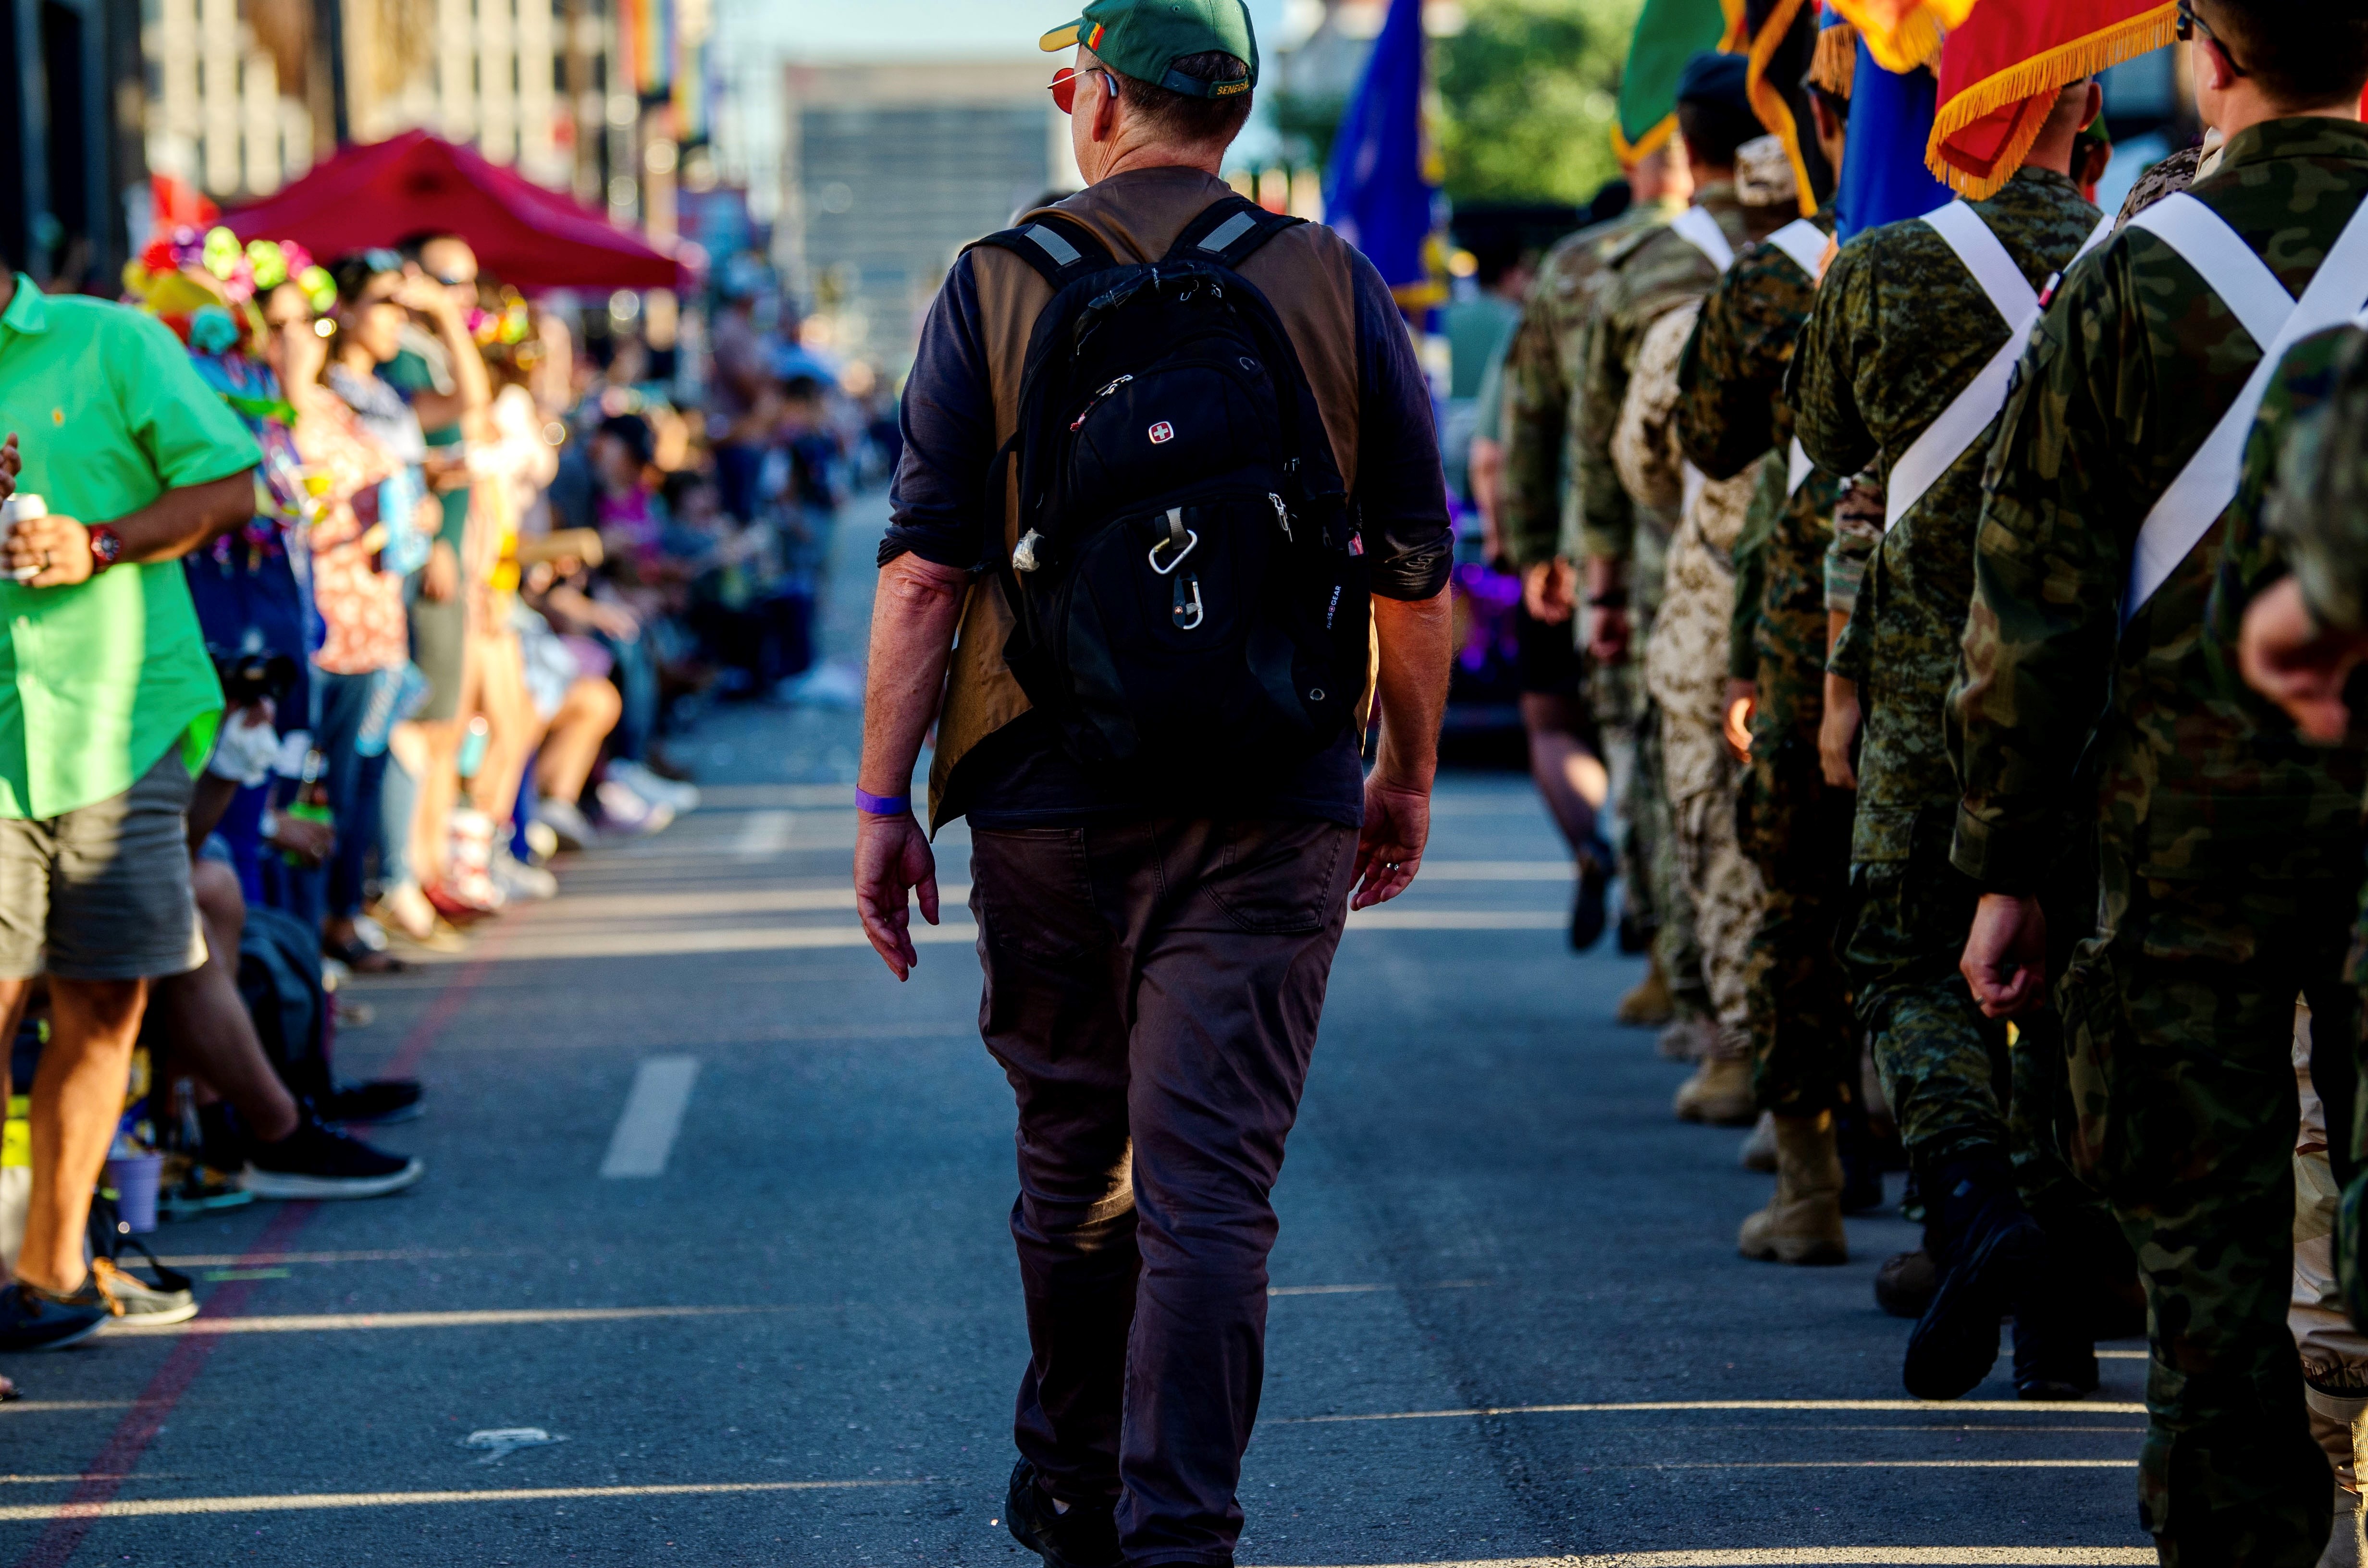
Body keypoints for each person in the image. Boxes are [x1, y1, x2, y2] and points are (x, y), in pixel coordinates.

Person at [850, 1, 1454, 1560]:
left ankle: (1066, 1484)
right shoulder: (1329, 281)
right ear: (1234, 112)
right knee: (1207, 1189)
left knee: (1073, 1161)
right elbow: (1411, 564)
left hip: (1045, 790)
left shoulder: (993, 283)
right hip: (1271, 789)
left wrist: (879, 806)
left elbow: (925, 575)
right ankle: (1177, 1530)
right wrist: (1398, 771)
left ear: (1094, 97)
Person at [1948, 3, 2368, 1554]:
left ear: (2205, 55)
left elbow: (2033, 598)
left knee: (2203, 1268)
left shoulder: (2129, 270)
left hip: (2185, 833)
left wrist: (2004, 862)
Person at [1793, 79, 2118, 1401]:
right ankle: (2057, 1318)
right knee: (2063, 974)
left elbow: (1823, 447)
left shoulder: (1880, 268)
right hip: (2091, 694)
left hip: (1928, 692)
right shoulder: (2134, 259)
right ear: (2089, 95)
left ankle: (1978, 1212)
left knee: (1910, 956)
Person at [0, 259, 262, 1351]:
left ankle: (52, 1274)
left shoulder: (111, 340)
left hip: (121, 725)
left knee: (106, 1005)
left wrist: (95, 541)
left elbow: (230, 490)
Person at [1671, 47, 1863, 1262]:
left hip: (1810, 623)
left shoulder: (1782, 276)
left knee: (1805, 894)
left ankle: (1811, 1184)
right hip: (2013, 630)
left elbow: (1711, 438)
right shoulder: (2093, 247)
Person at [1579, 52, 1796, 1121]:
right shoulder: (1894, 261)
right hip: (1891, 598)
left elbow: (1617, 452)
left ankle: (1751, 1072)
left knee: (1718, 831)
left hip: (1708, 592)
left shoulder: (1638, 280)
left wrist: (1607, 570)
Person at [1499, 143, 1691, 1025]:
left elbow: (1534, 418)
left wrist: (1539, 547)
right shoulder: (1799, 239)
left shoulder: (1586, 267)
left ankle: (1671, 962)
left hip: (1620, 550)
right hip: (1768, 550)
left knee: (1647, 749)